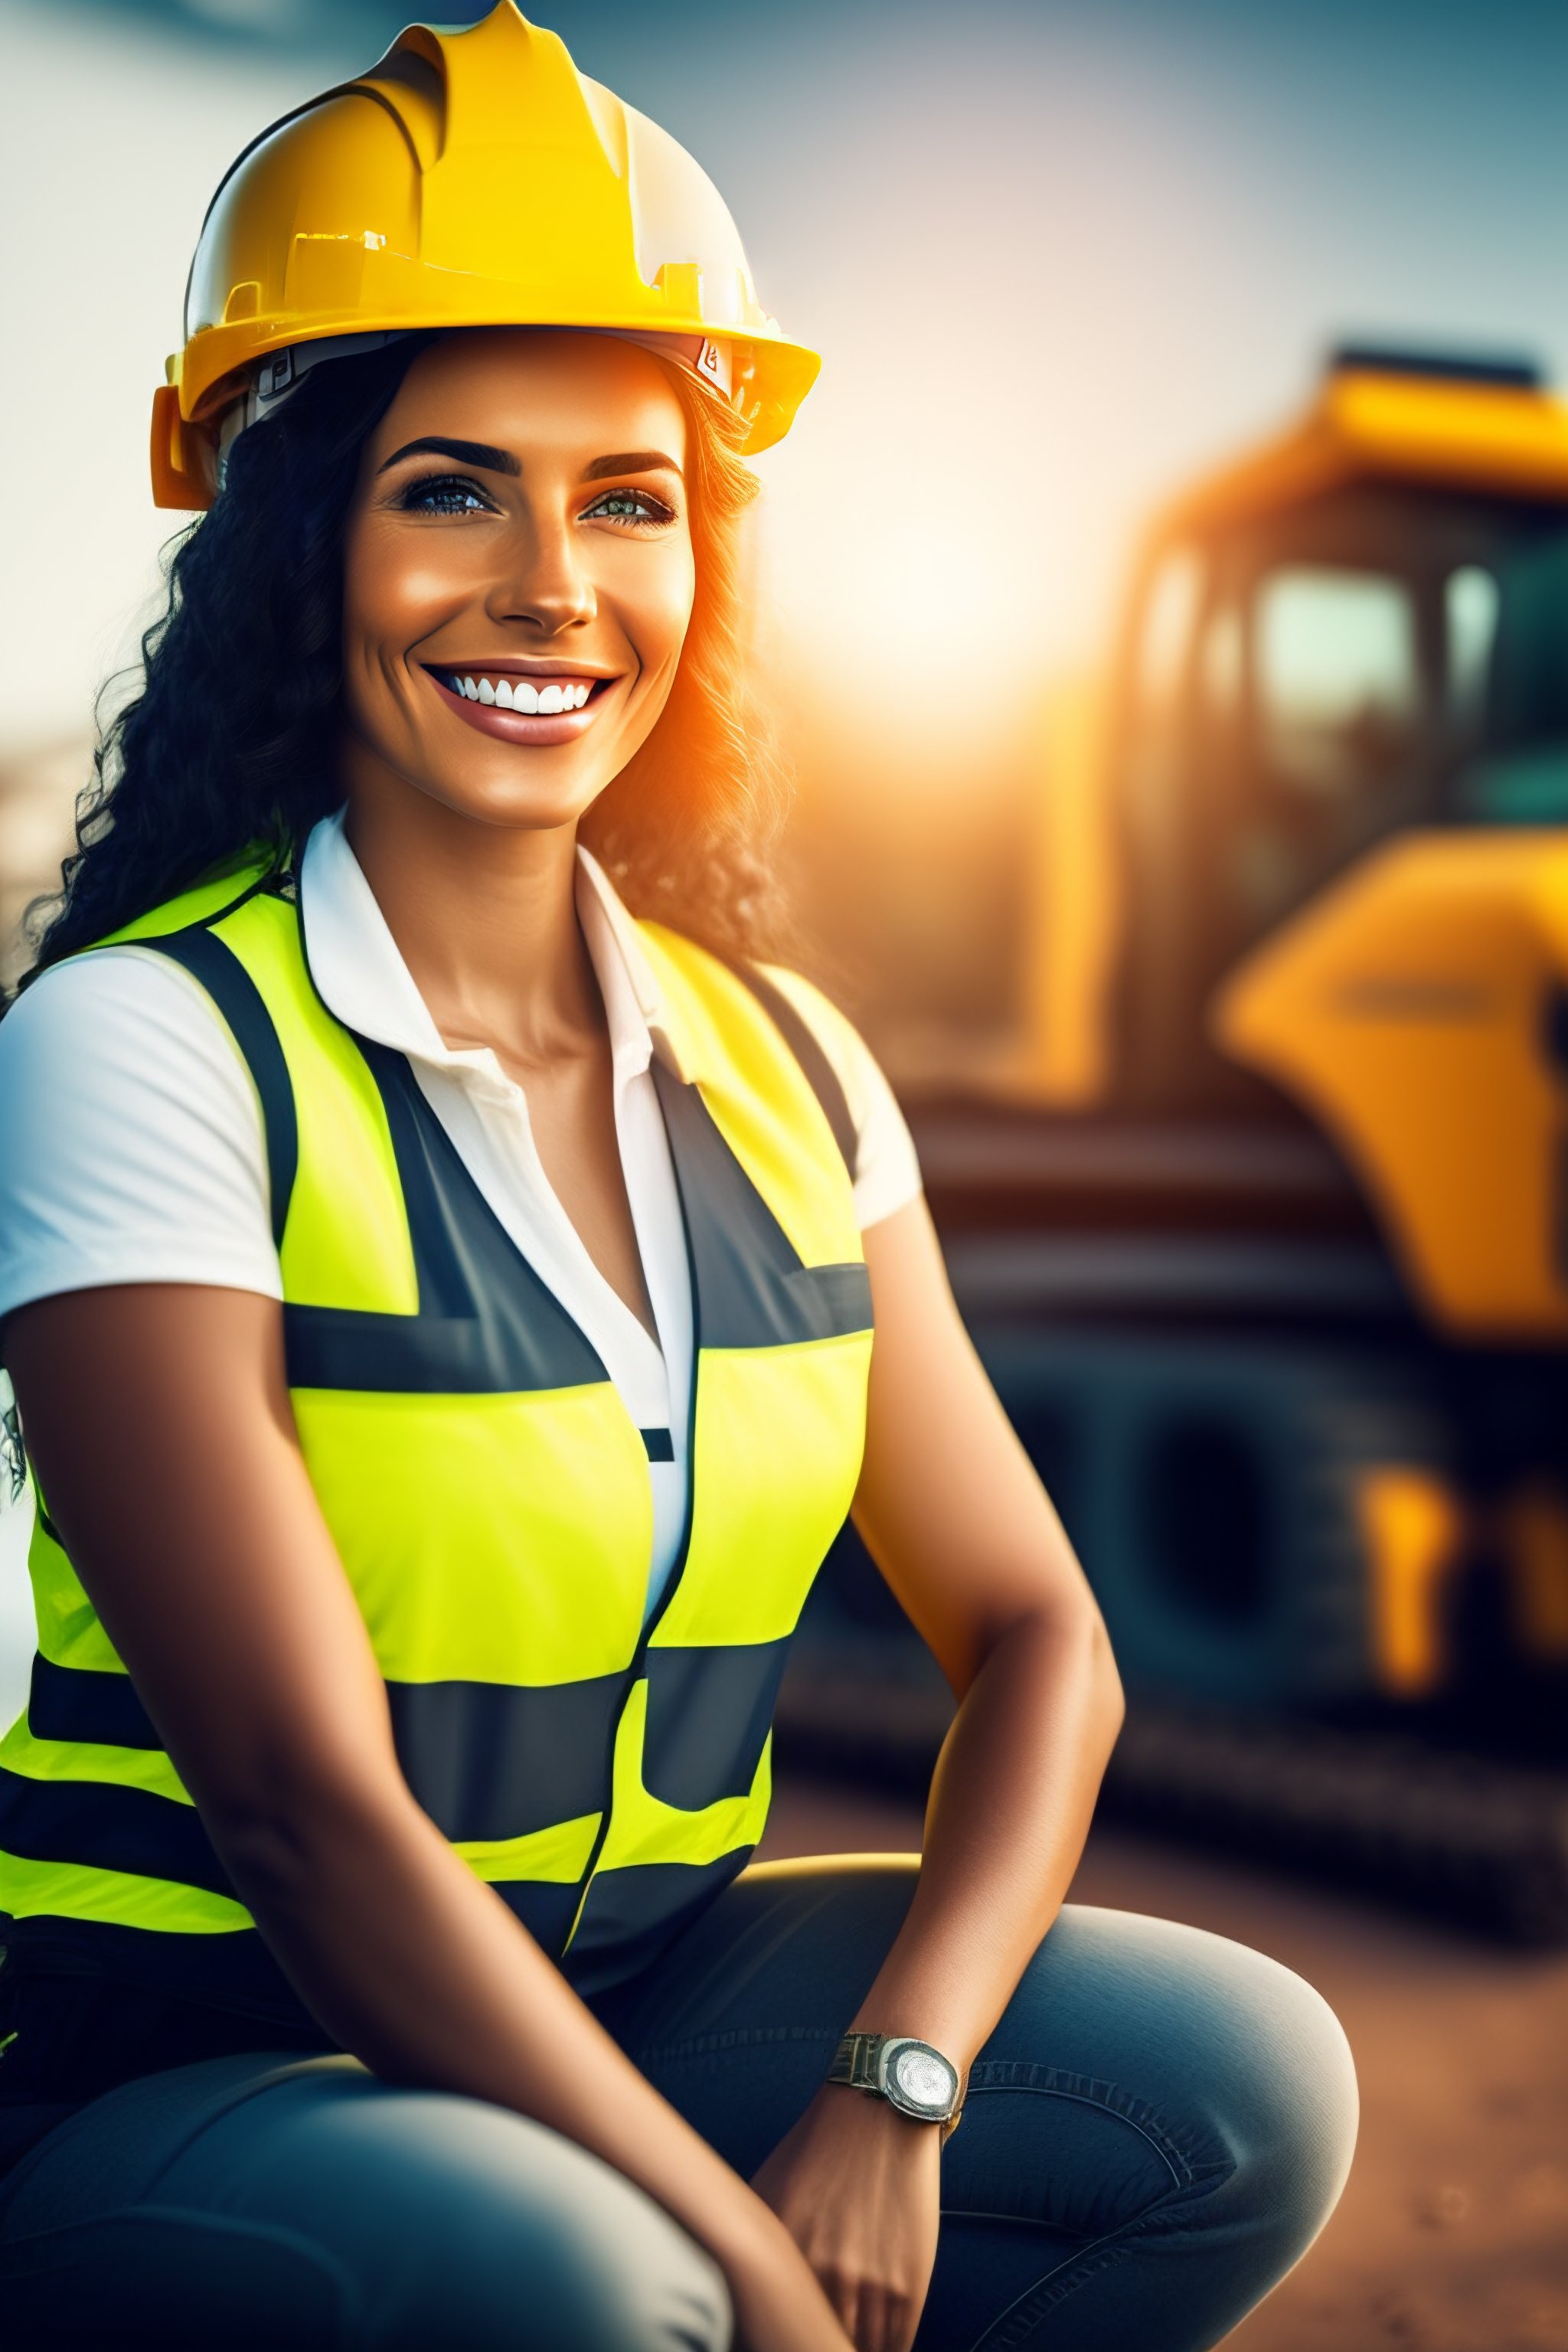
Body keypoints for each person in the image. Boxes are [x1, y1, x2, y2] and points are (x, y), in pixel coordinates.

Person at [0, 9, 1357, 2348]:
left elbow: (1043, 1643)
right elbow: (305, 1816)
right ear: (297, 537)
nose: (551, 581)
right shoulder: (145, 1044)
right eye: (454, 486)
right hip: (196, 2066)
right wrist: (750, 2249)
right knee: (607, 2287)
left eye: (627, 496)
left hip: (628, 2004)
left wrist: (892, 2093)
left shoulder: (795, 1073)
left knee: (1238, 2087)